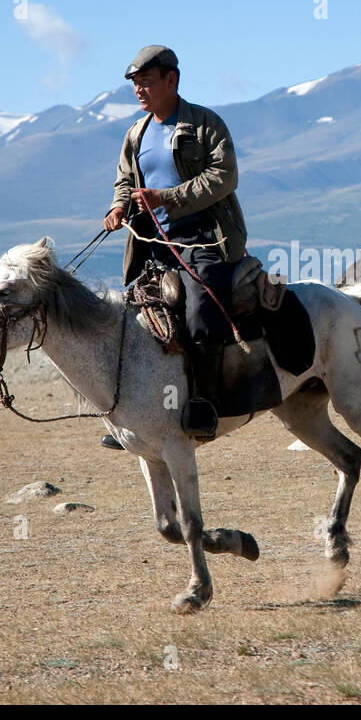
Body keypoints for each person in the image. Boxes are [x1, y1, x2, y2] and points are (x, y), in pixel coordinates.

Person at [100, 45, 249, 443]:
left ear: (172, 80)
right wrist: (118, 208)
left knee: (201, 312)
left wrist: (168, 198)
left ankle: (204, 404)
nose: (140, 91)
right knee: (132, 321)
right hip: (153, 247)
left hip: (204, 242)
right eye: (135, 85)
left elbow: (224, 176)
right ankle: (137, 415)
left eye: (147, 82)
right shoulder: (136, 134)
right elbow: (124, 181)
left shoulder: (205, 124)